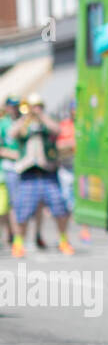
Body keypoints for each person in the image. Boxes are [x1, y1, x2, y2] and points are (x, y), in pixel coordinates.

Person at [11, 94, 74, 256]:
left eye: (38, 105)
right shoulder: (24, 122)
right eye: (33, 106)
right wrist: (25, 117)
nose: (35, 109)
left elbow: (57, 130)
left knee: (59, 207)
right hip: (28, 172)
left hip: (47, 171)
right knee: (23, 210)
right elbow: (12, 133)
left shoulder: (47, 120)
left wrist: (41, 116)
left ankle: (63, 240)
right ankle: (18, 243)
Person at [0, 97, 20, 252]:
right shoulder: (2, 123)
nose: (14, 109)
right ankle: (9, 233)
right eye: (12, 106)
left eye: (16, 106)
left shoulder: (23, 121)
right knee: (4, 207)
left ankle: (14, 235)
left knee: (15, 204)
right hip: (6, 168)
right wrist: (14, 154)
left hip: (21, 168)